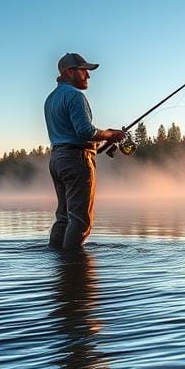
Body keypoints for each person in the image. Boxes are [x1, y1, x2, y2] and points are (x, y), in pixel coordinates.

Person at [45, 52, 125, 250]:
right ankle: (73, 269)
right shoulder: (75, 96)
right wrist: (110, 135)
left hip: (57, 159)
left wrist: (96, 144)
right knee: (80, 221)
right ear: (70, 72)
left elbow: (71, 133)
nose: (88, 76)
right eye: (84, 71)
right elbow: (85, 131)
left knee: (63, 217)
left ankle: (57, 259)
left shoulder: (51, 98)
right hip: (75, 160)